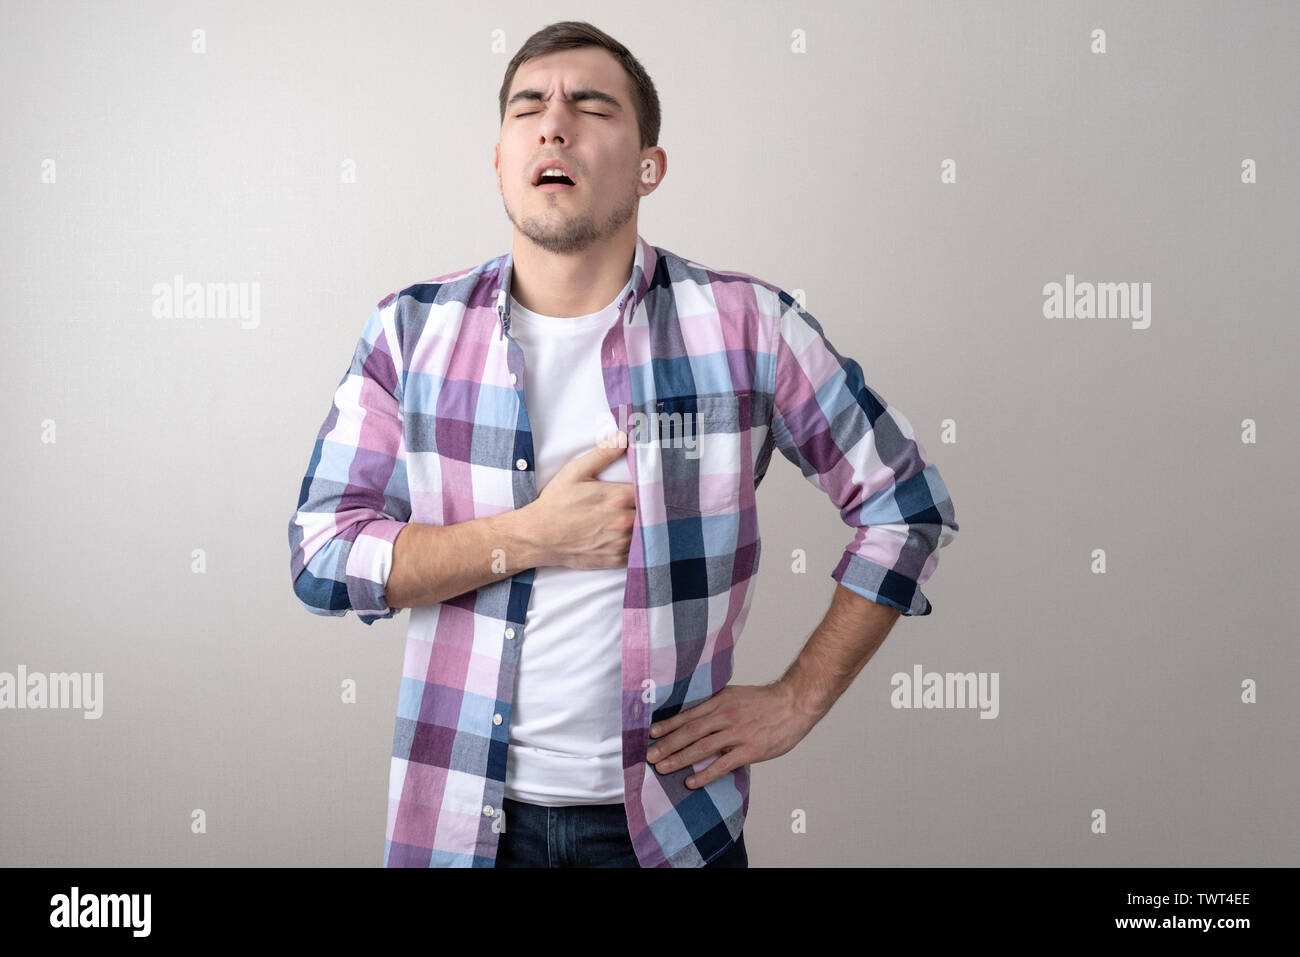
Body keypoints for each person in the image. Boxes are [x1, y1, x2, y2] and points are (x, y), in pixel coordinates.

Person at [287, 20, 959, 868]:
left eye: (590, 105)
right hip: (463, 825)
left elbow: (907, 508)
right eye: (528, 105)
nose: (553, 123)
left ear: (649, 165)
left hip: (671, 830)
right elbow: (321, 554)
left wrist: (798, 699)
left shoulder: (748, 328)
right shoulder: (410, 333)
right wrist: (532, 535)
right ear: (500, 159)